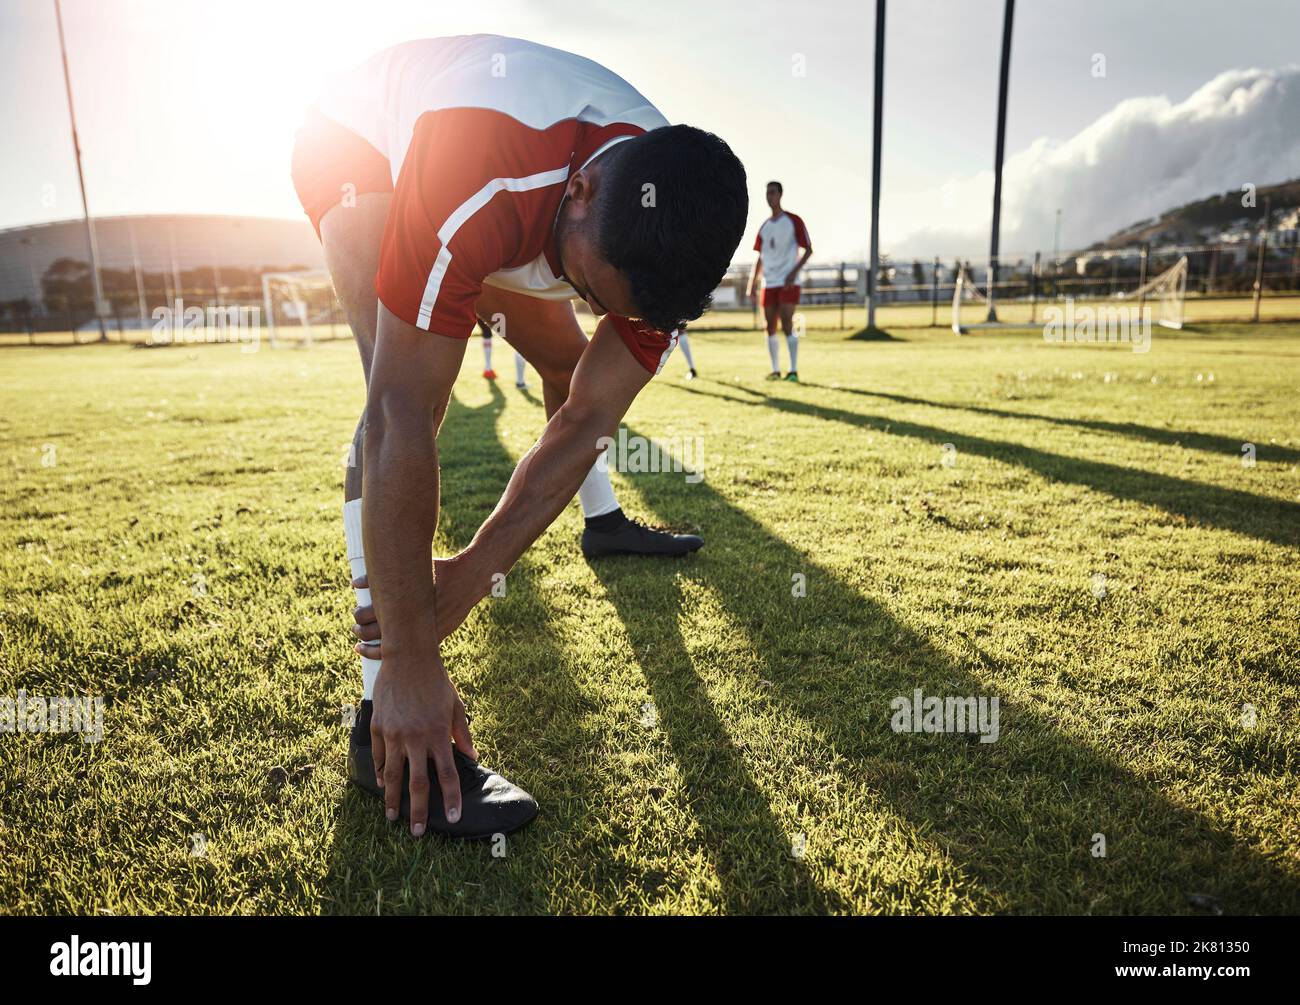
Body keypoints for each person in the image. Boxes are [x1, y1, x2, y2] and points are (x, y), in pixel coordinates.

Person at [290, 35, 747, 838]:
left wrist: (469, 573)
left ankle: (601, 526)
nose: (598, 306)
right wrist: (412, 654)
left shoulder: (665, 244)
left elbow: (587, 420)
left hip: (520, 191)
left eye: (623, 310)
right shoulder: (482, 170)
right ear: (579, 193)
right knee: (398, 391)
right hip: (359, 140)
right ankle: (378, 717)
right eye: (585, 286)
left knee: (574, 367)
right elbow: (402, 410)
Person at [745, 181, 811, 381]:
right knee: (769, 326)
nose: (769, 196)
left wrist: (793, 272)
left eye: (773, 192)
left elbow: (808, 249)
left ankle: (793, 370)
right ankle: (775, 370)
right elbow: (760, 257)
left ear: (780, 195)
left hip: (788, 282)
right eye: (767, 193)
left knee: (787, 323)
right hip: (769, 282)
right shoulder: (764, 227)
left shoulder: (793, 221)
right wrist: (752, 284)